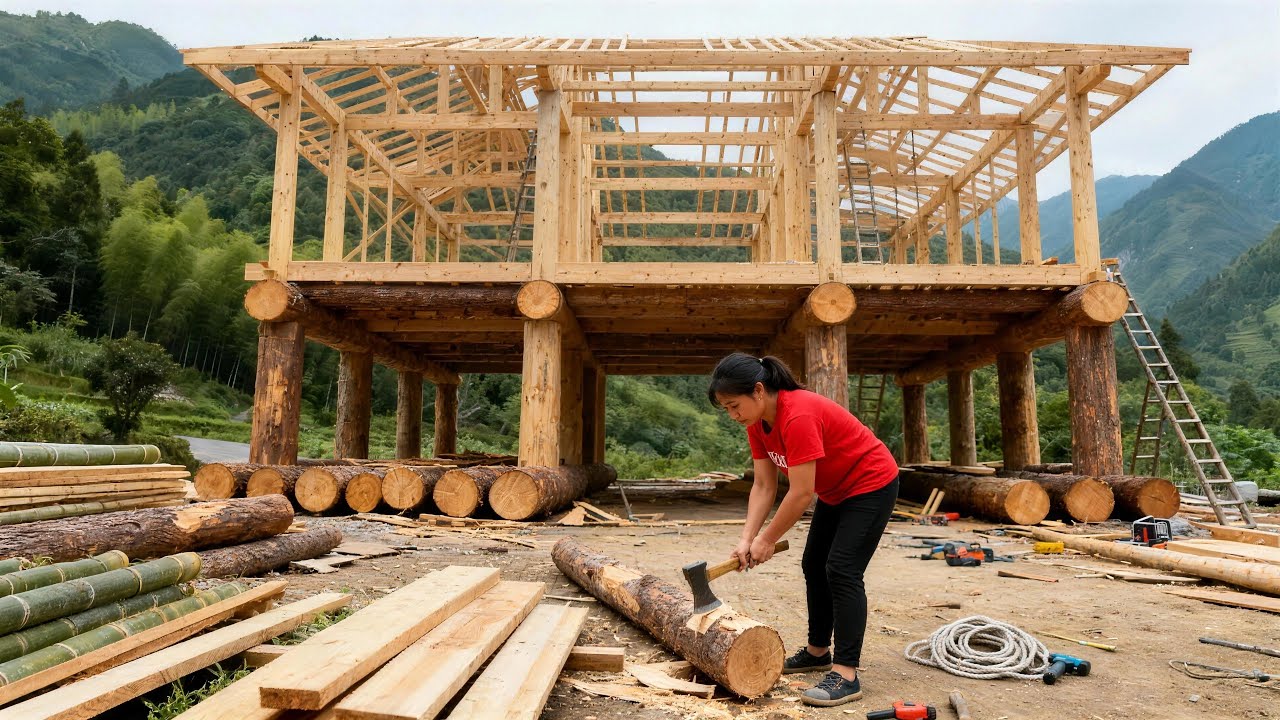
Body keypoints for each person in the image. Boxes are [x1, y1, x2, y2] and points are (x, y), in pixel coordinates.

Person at [707, 352, 899, 707]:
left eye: (735, 406)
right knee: (814, 565)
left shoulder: (798, 415)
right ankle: (817, 651)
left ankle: (846, 675)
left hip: (870, 483)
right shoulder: (757, 424)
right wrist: (747, 538)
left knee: (842, 569)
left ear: (759, 391)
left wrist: (767, 539)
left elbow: (801, 493)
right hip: (836, 489)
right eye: (727, 409)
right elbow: (764, 486)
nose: (733, 416)